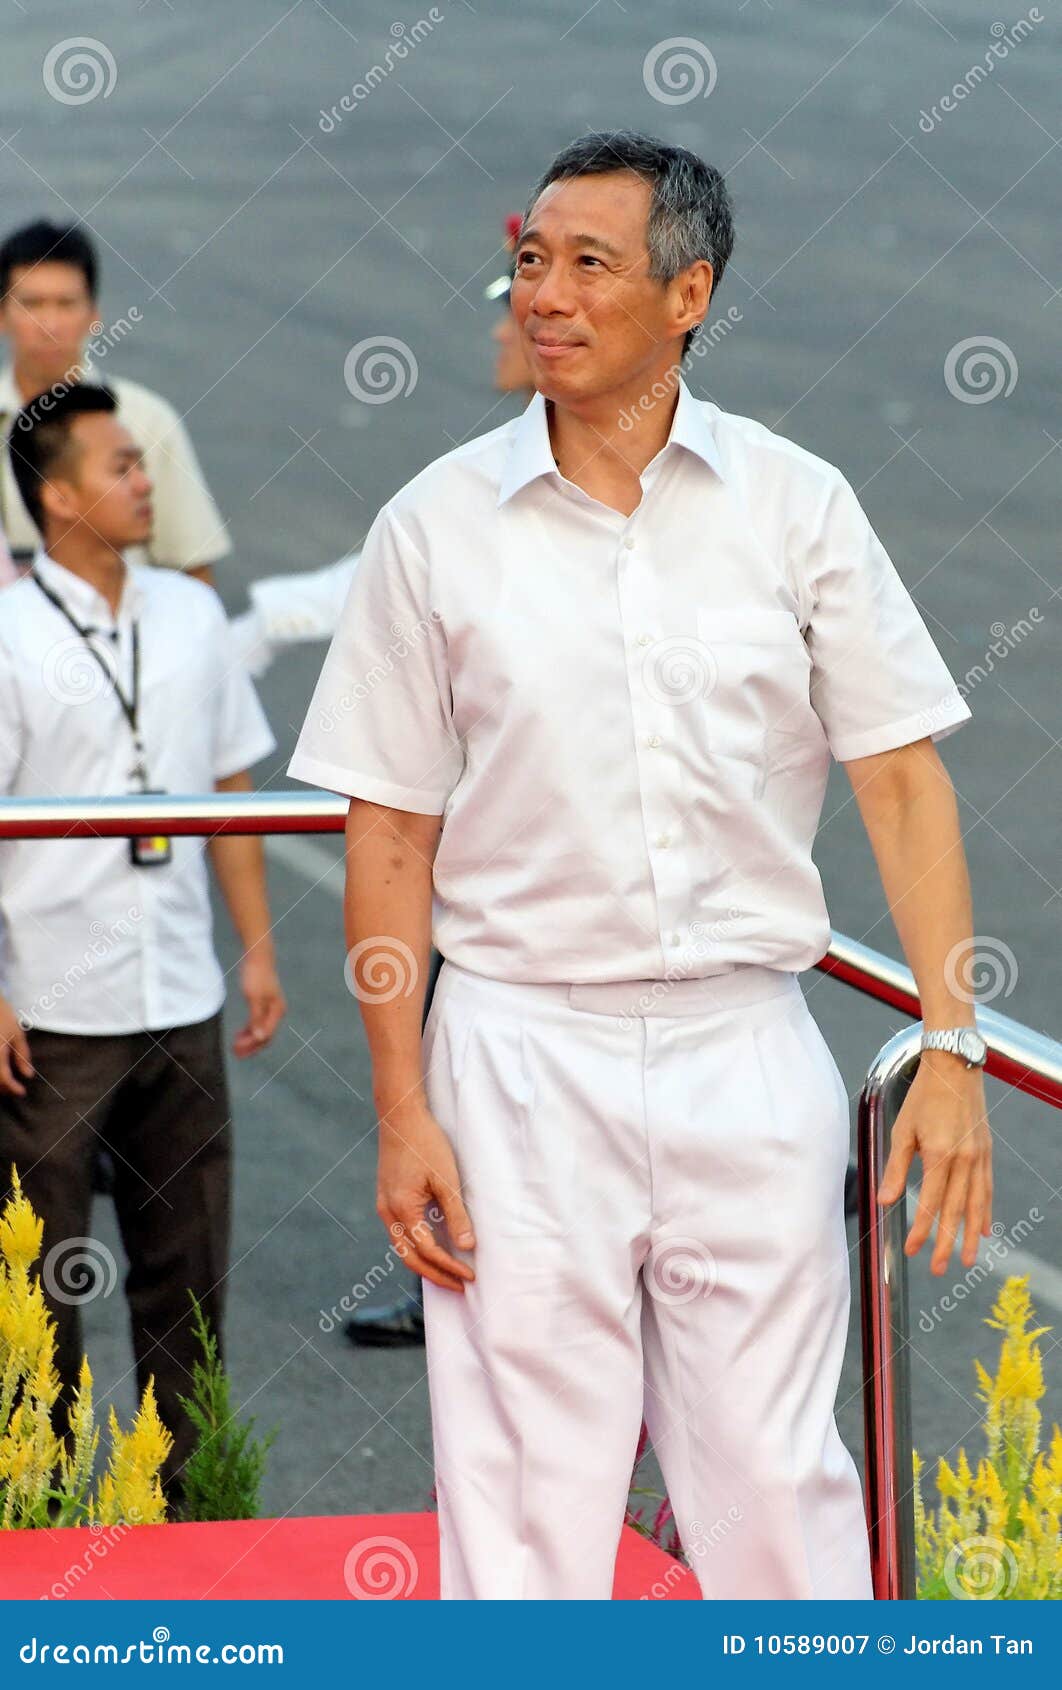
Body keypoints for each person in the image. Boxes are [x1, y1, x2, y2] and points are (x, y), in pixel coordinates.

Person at [289, 128, 993, 1600]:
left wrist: (949, 1044)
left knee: (777, 1497)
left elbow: (900, 779)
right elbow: (392, 828)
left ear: (689, 294)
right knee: (525, 1510)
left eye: (586, 264)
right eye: (529, 260)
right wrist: (402, 1104)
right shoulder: (432, 528)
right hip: (515, 1058)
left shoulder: (795, 505)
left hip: (747, 1054)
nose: (542, 294)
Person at [0, 384, 285, 1505]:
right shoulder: (10, 632)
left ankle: (188, 1513)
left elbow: (228, 787)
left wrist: (256, 948)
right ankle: (45, 1517)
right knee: (39, 1286)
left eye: (143, 462)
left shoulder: (188, 612)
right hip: (52, 1009)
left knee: (190, 1272)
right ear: (58, 493)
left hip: (177, 986)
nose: (145, 478)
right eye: (120, 465)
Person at [0, 221, 230, 585]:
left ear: (94, 315)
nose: (49, 324)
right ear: (2, 315)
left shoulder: (147, 420)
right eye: (31, 304)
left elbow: (193, 567)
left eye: (66, 304)